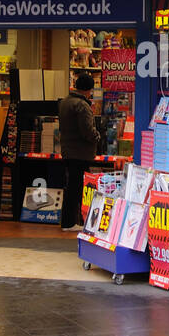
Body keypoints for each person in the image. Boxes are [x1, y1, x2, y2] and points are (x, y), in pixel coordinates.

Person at [58, 71, 104, 230]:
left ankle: (69, 221)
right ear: (88, 89)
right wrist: (97, 136)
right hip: (80, 153)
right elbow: (87, 131)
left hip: (68, 150)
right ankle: (69, 223)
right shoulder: (82, 105)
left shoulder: (65, 102)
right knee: (76, 187)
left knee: (72, 186)